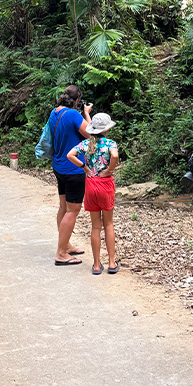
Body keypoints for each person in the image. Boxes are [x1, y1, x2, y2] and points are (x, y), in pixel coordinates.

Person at [66, 112, 119, 275]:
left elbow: (70, 155)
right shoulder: (110, 143)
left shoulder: (86, 144)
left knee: (95, 226)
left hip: (91, 185)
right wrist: (110, 169)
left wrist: (85, 168)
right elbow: (115, 156)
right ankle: (111, 262)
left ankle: (96, 265)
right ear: (106, 129)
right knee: (108, 224)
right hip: (105, 184)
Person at [50, 85, 92, 266]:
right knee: (72, 211)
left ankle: (65, 244)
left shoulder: (55, 112)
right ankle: (61, 253)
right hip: (73, 168)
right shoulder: (73, 114)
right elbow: (92, 134)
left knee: (63, 207)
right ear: (76, 101)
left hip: (59, 165)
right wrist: (87, 113)